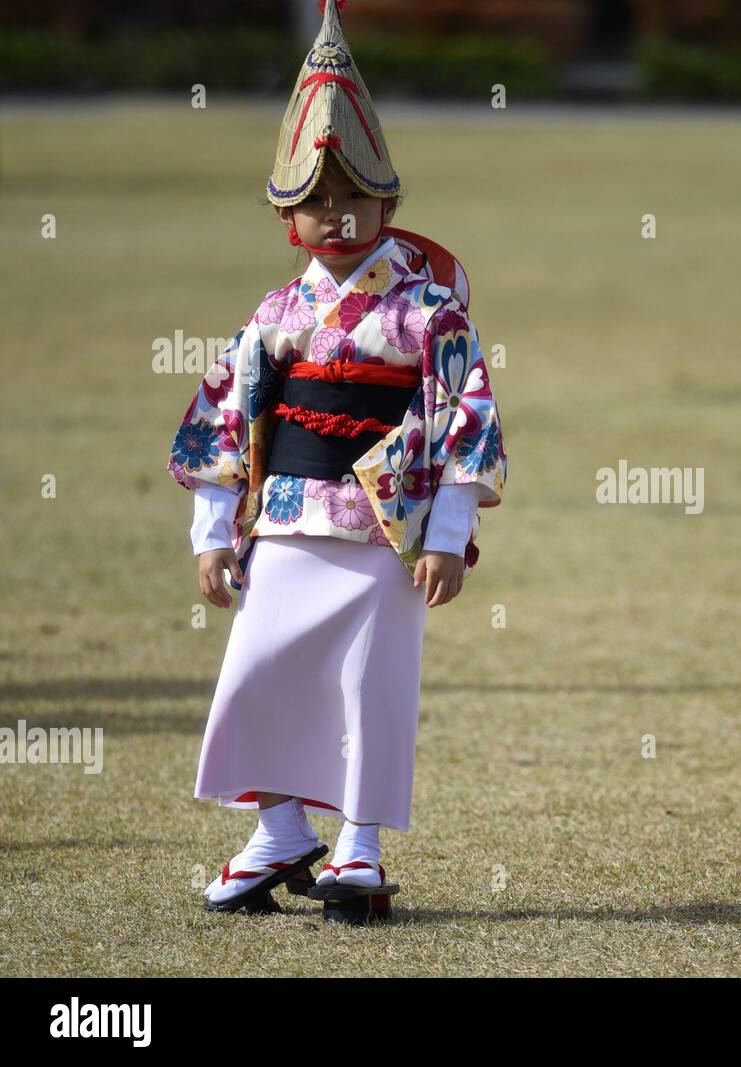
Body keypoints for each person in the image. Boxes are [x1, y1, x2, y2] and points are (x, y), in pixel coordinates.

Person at [165, 0, 507, 912]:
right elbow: (226, 420)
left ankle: (358, 847)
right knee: (260, 668)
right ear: (289, 215)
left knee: (369, 685)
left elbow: (466, 420)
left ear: (387, 203)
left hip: (386, 529)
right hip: (285, 518)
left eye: (355, 197)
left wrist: (449, 528)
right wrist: (211, 529)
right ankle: (280, 829)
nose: (338, 216)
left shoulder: (430, 312)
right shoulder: (276, 314)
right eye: (316, 200)